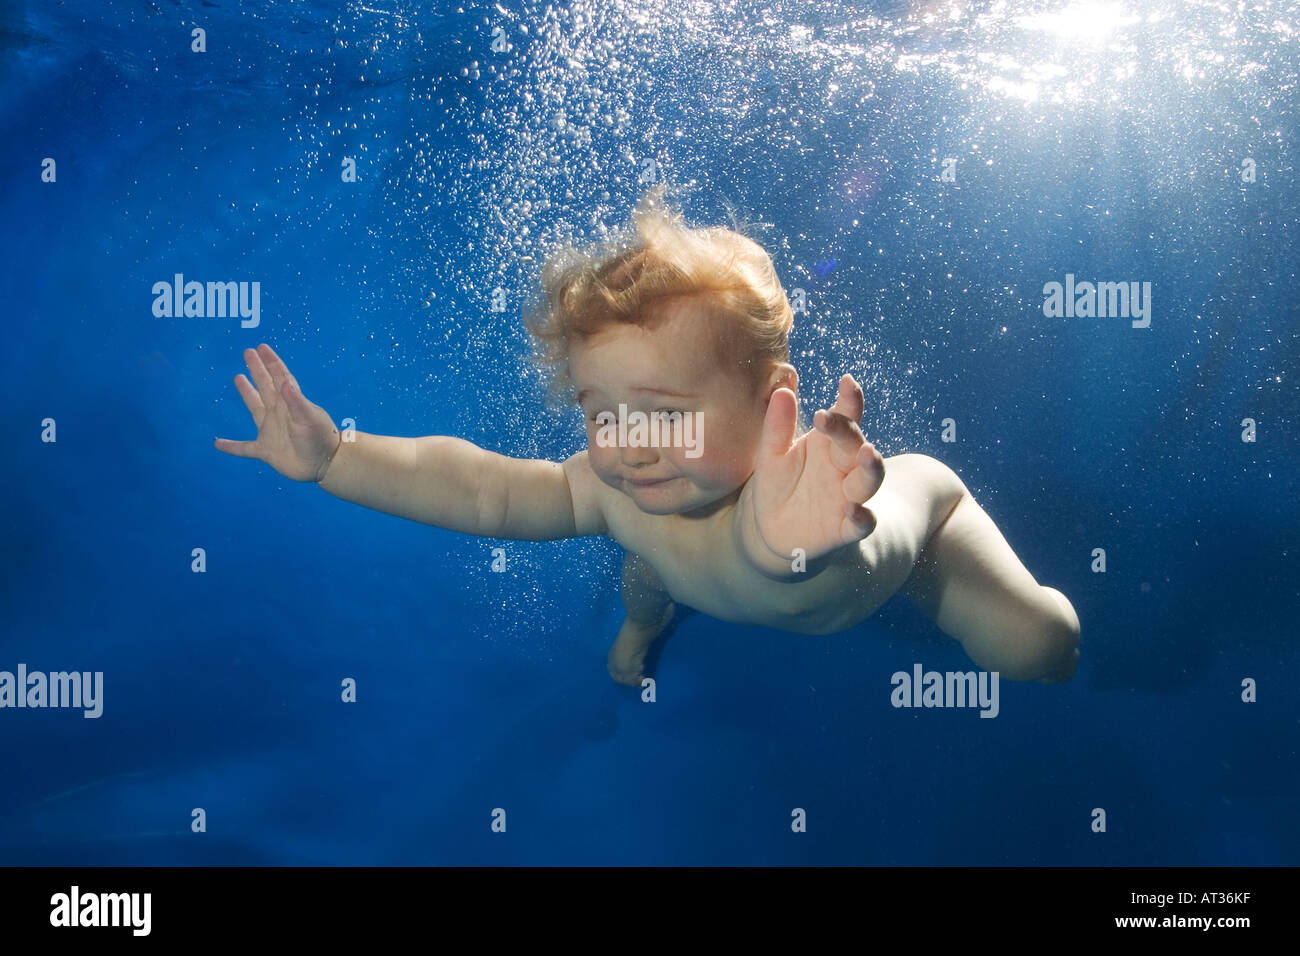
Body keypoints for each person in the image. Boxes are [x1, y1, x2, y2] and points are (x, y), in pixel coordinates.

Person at [214, 185, 1080, 688]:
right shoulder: (626, 486)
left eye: (665, 411)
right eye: (600, 415)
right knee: (647, 570)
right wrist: (335, 459)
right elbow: (482, 488)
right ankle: (645, 626)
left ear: (772, 397)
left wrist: (789, 542)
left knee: (1037, 649)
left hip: (910, 533)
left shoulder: (808, 494)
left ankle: (998, 599)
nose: (629, 445)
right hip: (676, 562)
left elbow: (774, 553)